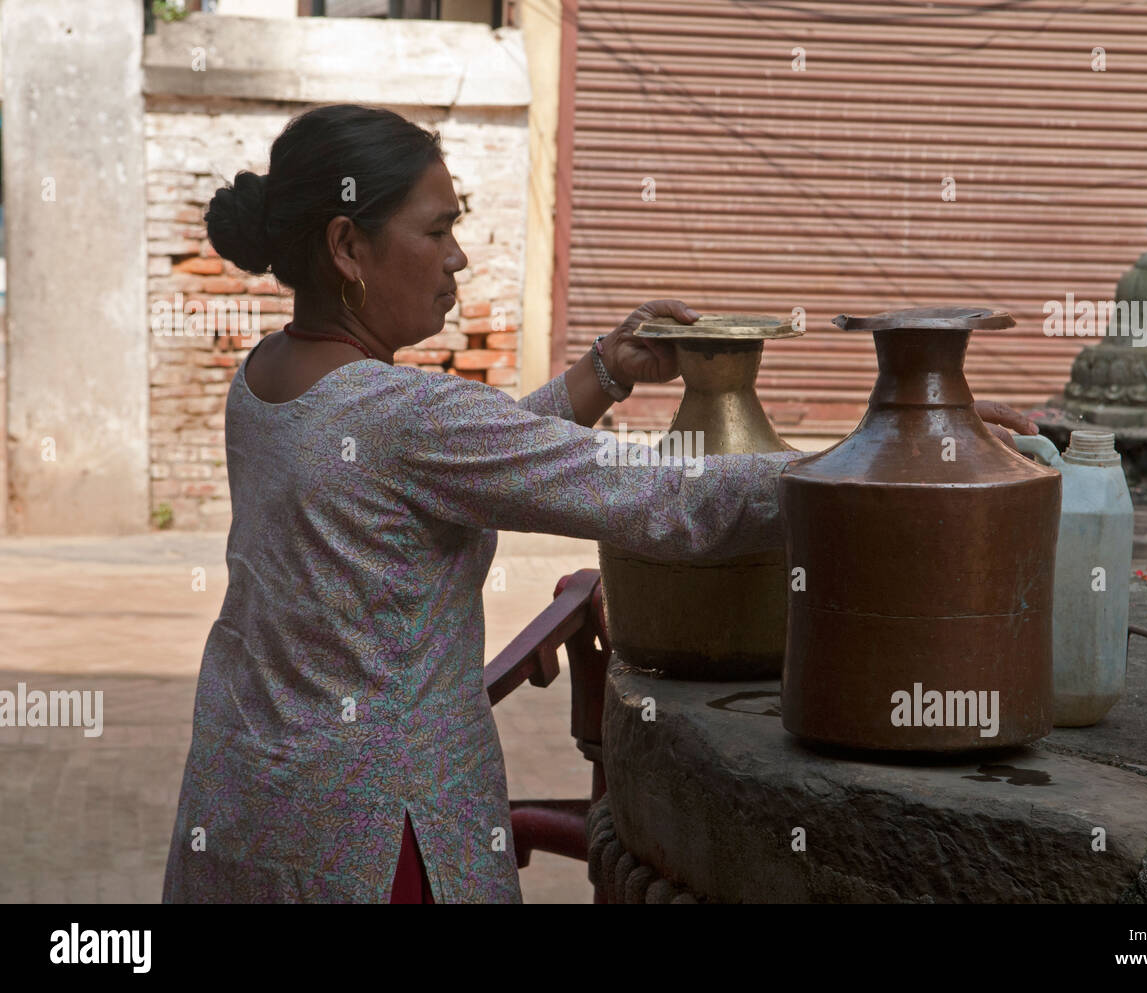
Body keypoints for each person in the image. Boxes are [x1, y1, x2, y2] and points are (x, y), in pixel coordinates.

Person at [162, 103, 1037, 904]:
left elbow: (473, 458)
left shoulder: (267, 378)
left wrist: (606, 371)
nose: (459, 256)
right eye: (438, 230)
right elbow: (660, 497)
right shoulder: (406, 416)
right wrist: (885, 456)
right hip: (381, 835)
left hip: (255, 800)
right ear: (348, 246)